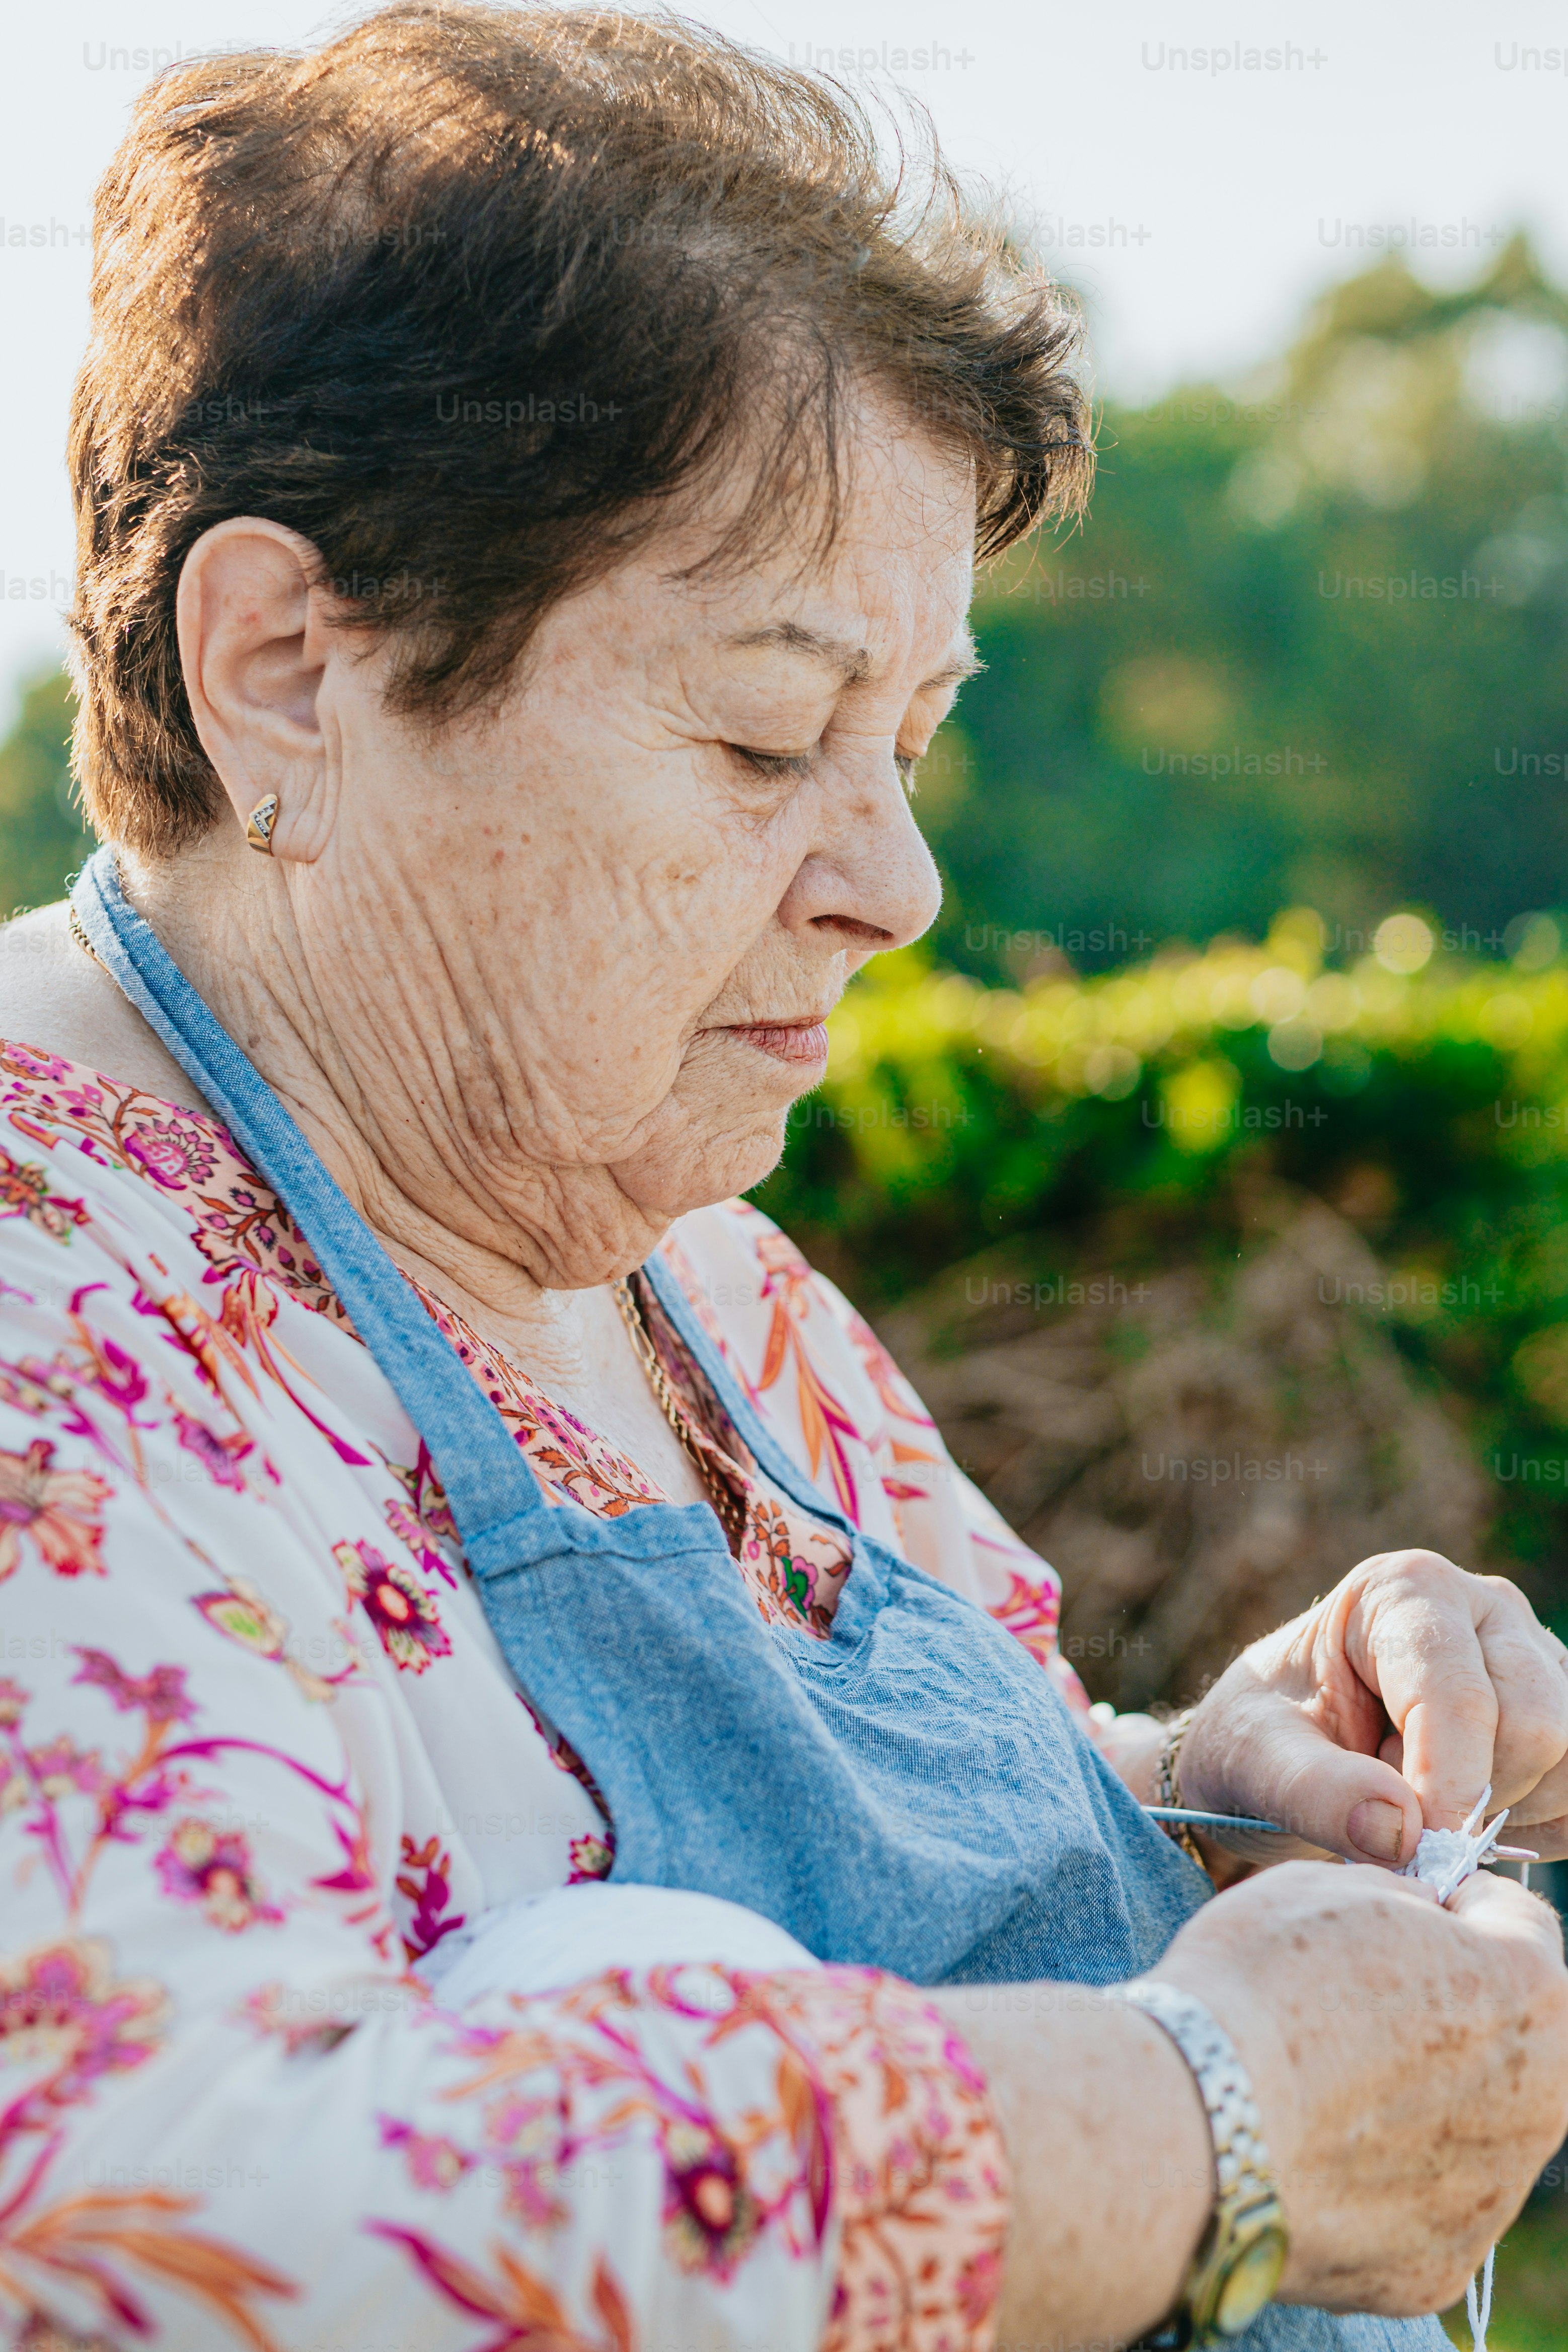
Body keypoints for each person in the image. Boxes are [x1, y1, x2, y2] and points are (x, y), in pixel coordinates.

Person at [1, 7, 1565, 2348]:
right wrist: (1209, 2120)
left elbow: (830, 1884)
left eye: (911, 741)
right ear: (287, 667)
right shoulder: (55, 1298)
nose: (899, 879)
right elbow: (132, 2202)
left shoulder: (689, 1267)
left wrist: (1220, 1799)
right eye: (763, 732)